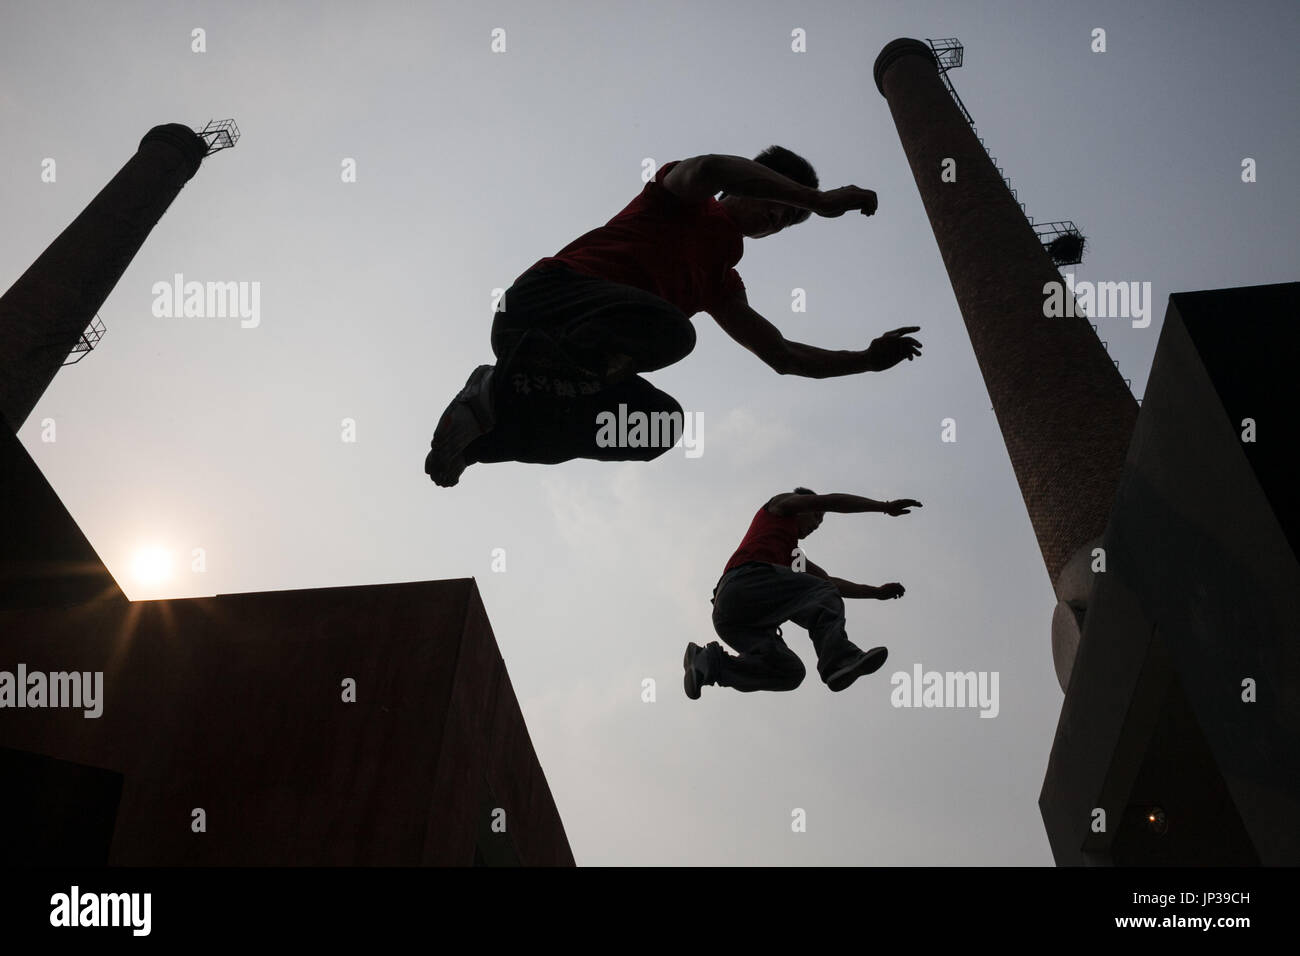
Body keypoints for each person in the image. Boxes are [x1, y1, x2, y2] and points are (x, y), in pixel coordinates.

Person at [425, 147, 923, 485]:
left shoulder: (723, 284)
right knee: (672, 333)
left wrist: (867, 360)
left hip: (556, 358)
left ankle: (482, 431)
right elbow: (710, 167)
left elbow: (784, 356)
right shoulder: (684, 198)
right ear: (746, 185)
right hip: (542, 303)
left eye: (788, 222)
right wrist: (816, 199)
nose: (779, 218)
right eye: (777, 202)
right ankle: (516, 379)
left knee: (657, 425)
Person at [684, 487, 920, 698]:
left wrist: (876, 593)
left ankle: (709, 664)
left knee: (789, 672)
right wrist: (884, 507)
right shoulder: (778, 508)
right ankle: (839, 658)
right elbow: (831, 502)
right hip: (745, 582)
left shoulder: (793, 558)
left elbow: (830, 584)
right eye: (816, 515)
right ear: (803, 504)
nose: (817, 524)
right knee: (821, 591)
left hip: (733, 621)